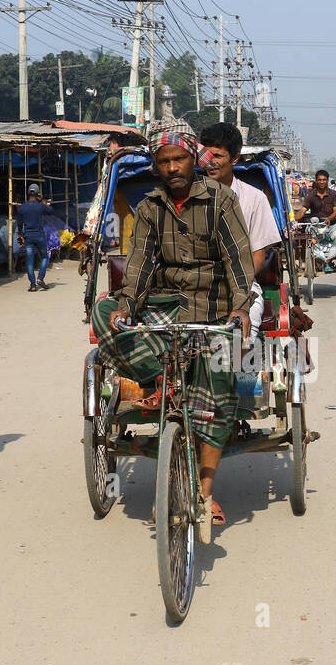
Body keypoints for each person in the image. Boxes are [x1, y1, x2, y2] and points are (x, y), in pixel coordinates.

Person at [91, 130, 254, 527]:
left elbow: (238, 259)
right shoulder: (149, 207)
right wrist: (127, 303)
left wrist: (241, 308)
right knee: (103, 313)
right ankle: (162, 376)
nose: (172, 168)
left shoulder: (221, 200)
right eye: (164, 162)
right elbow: (141, 263)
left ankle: (204, 492)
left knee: (216, 396)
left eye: (178, 159)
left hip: (212, 308)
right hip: (163, 306)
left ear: (192, 159)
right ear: (156, 166)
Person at [199, 121, 280, 344]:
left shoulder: (254, 199)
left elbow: (257, 258)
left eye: (217, 156)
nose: (210, 163)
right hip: (193, 286)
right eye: (206, 156)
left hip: (240, 288)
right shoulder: (187, 195)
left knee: (238, 346)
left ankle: (236, 372)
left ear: (234, 159)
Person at [297, 169, 336, 266]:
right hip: (315, 226)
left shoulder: (334, 195)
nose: (322, 182)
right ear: (316, 180)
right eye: (319, 180)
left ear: (327, 181)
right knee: (310, 240)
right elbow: (303, 210)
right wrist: (294, 219)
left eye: (324, 180)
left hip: (332, 225)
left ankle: (328, 259)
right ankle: (319, 259)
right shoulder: (310, 196)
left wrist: (329, 219)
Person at [16, 183, 52, 291]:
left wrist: (20, 235)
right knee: (45, 257)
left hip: (28, 236)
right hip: (39, 235)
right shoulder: (40, 206)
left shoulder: (22, 208)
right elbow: (51, 211)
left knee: (30, 262)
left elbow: (19, 224)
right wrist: (42, 202)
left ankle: (32, 285)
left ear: (28, 193)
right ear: (37, 194)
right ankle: (40, 278)